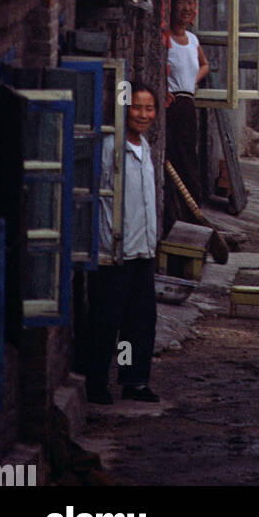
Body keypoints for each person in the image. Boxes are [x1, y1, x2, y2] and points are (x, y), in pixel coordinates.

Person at [85, 84, 159, 405]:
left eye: (149, 108)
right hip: (113, 252)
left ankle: (131, 379)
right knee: (107, 320)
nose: (143, 114)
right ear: (124, 109)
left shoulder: (145, 148)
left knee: (138, 322)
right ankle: (97, 382)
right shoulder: (109, 149)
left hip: (142, 251)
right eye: (137, 107)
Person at [164, 0, 209, 209]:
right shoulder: (166, 39)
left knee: (190, 156)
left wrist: (193, 82)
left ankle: (193, 207)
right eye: (182, 2)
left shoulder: (192, 40)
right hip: (172, 106)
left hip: (188, 104)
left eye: (191, 3)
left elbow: (205, 65)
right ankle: (180, 209)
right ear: (171, 6)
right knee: (176, 157)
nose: (187, 8)